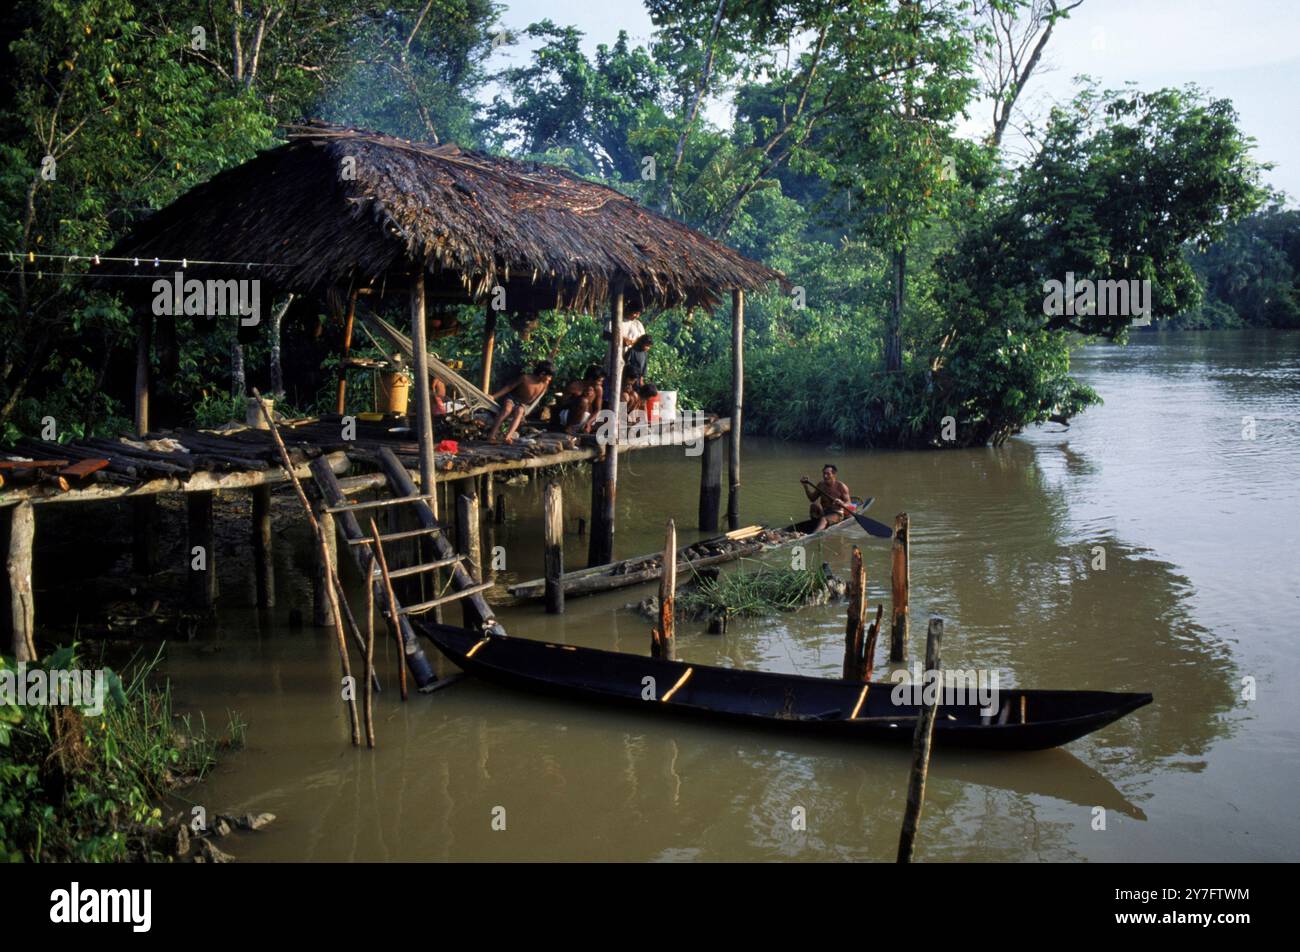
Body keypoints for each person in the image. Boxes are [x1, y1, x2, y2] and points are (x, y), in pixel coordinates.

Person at [489, 361, 554, 444]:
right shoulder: (525, 378)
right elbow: (509, 387)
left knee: (519, 411)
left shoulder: (545, 384)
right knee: (507, 410)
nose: (550, 379)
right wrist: (494, 396)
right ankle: (492, 435)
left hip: (524, 405)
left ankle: (508, 436)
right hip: (512, 399)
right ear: (542, 374)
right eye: (549, 376)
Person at [800, 464, 852, 532]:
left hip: (836, 513)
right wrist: (805, 486)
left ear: (834, 474)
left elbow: (849, 503)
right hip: (824, 512)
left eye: (828, 474)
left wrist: (841, 503)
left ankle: (815, 534)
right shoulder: (821, 485)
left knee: (824, 519)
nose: (825, 476)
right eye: (824, 473)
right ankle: (815, 524)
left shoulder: (841, 486)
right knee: (814, 506)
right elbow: (812, 499)